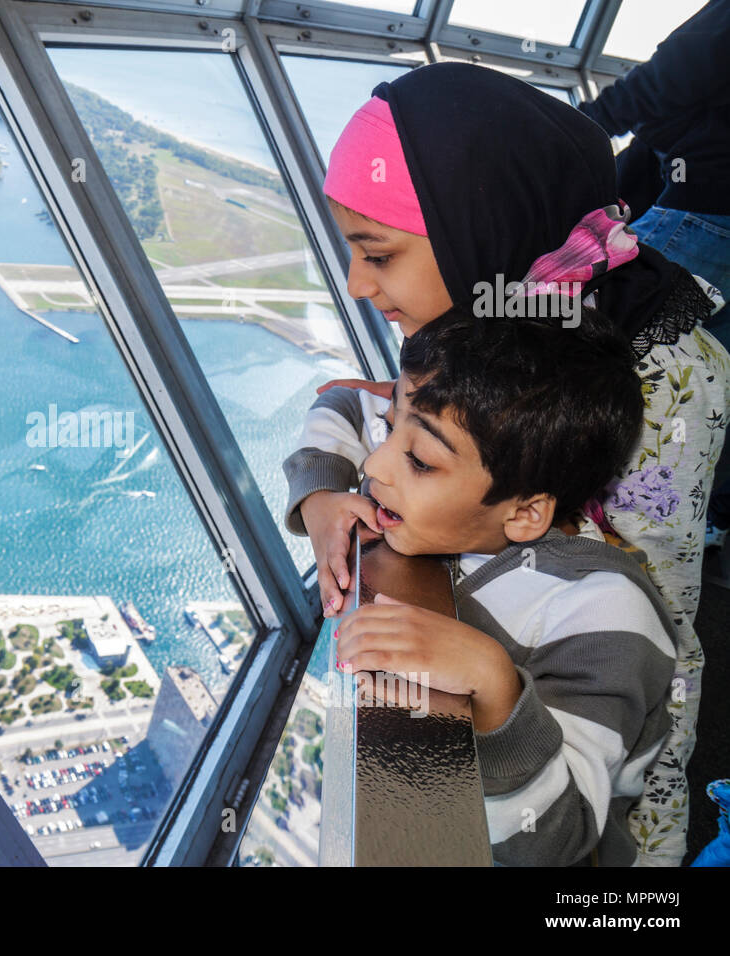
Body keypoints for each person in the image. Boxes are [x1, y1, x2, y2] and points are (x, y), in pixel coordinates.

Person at [284, 62, 730, 864]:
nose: (355, 284)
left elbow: (645, 605)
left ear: (476, 227)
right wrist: (322, 492)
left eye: (376, 254)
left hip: (601, 714)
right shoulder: (489, 311)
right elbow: (361, 400)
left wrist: (493, 683)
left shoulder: (665, 380)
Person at [329, 307, 674, 866]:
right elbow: (339, 402)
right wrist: (320, 497)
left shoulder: (608, 618)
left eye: (418, 460)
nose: (375, 463)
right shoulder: (462, 492)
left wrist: (495, 686)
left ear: (525, 514)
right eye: (392, 429)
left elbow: (559, 839)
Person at [575, 1, 730, 562]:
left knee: (587, 352)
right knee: (708, 388)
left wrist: (581, 126)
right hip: (706, 213)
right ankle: (684, 533)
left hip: (706, 214)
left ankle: (571, 526)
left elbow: (676, 72)